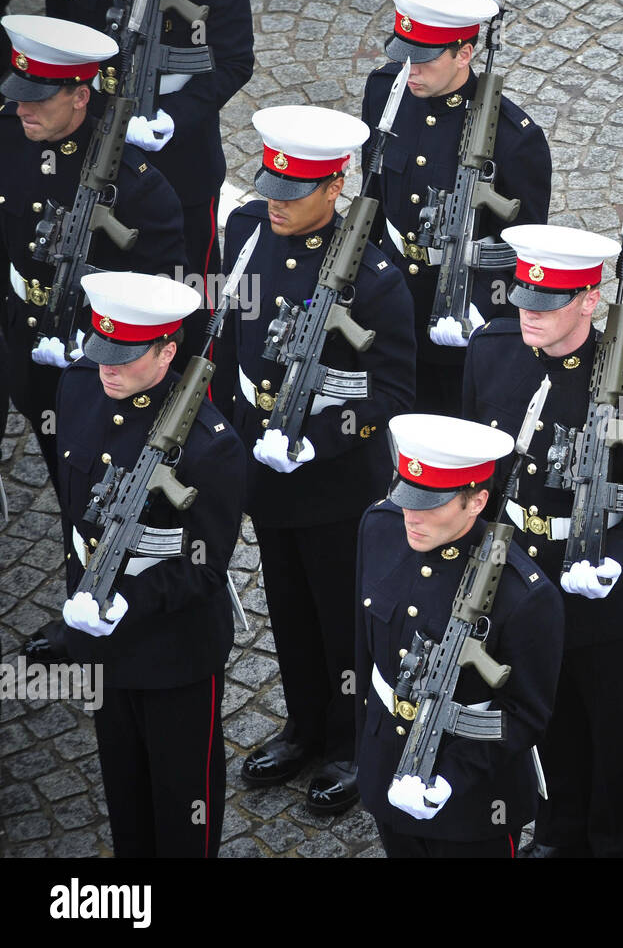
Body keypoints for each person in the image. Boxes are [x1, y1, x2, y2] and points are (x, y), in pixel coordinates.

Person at [462, 224, 623, 857]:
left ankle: (613, 844)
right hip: (518, 578)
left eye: (548, 302)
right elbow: (474, 466)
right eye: (524, 298)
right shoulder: (492, 351)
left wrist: (616, 558)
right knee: (546, 719)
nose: (528, 313)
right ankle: (558, 834)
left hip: (605, 600)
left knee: (614, 738)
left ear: (589, 300)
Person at [217, 104, 416, 815]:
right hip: (262, 471)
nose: (274, 204)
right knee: (289, 605)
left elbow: (391, 388)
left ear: (335, 189)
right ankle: (304, 723)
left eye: (293, 193)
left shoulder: (373, 274)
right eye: (270, 186)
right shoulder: (247, 232)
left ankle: (350, 742)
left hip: (334, 482)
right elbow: (227, 342)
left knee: (340, 615)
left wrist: (319, 439)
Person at [2, 14, 186, 667]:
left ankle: (114, 609)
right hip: (25, 353)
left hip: (105, 376)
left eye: (38, 98)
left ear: (80, 96)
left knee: (104, 498)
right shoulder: (10, 141)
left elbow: (169, 310)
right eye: (19, 94)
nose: (21, 108)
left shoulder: (138, 190)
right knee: (64, 484)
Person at [56, 271, 244, 856]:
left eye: (125, 355)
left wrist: (126, 602)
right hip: (103, 651)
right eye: (101, 348)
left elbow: (204, 568)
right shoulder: (82, 386)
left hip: (173, 656)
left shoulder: (210, 447)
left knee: (183, 806)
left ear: (167, 352)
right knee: (126, 800)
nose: (108, 366)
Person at [355, 413, 563, 857]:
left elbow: (524, 713)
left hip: (473, 801)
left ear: (476, 500)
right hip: (386, 763)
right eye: (406, 497)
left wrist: (450, 776)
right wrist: (369, 753)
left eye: (431, 505)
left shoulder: (524, 595)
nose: (411, 515)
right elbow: (365, 653)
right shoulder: (379, 529)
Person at [362, 0, 551, 416]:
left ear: (464, 53)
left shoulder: (515, 139)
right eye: (405, 56)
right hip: (390, 296)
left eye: (425, 60)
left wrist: (480, 307)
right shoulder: (384, 92)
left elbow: (522, 248)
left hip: (459, 314)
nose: (411, 70)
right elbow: (371, 195)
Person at [45, 0, 254, 349]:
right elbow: (58, 48)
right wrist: (97, 113)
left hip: (179, 157)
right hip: (89, 135)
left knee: (189, 288)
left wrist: (175, 116)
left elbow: (234, 60)